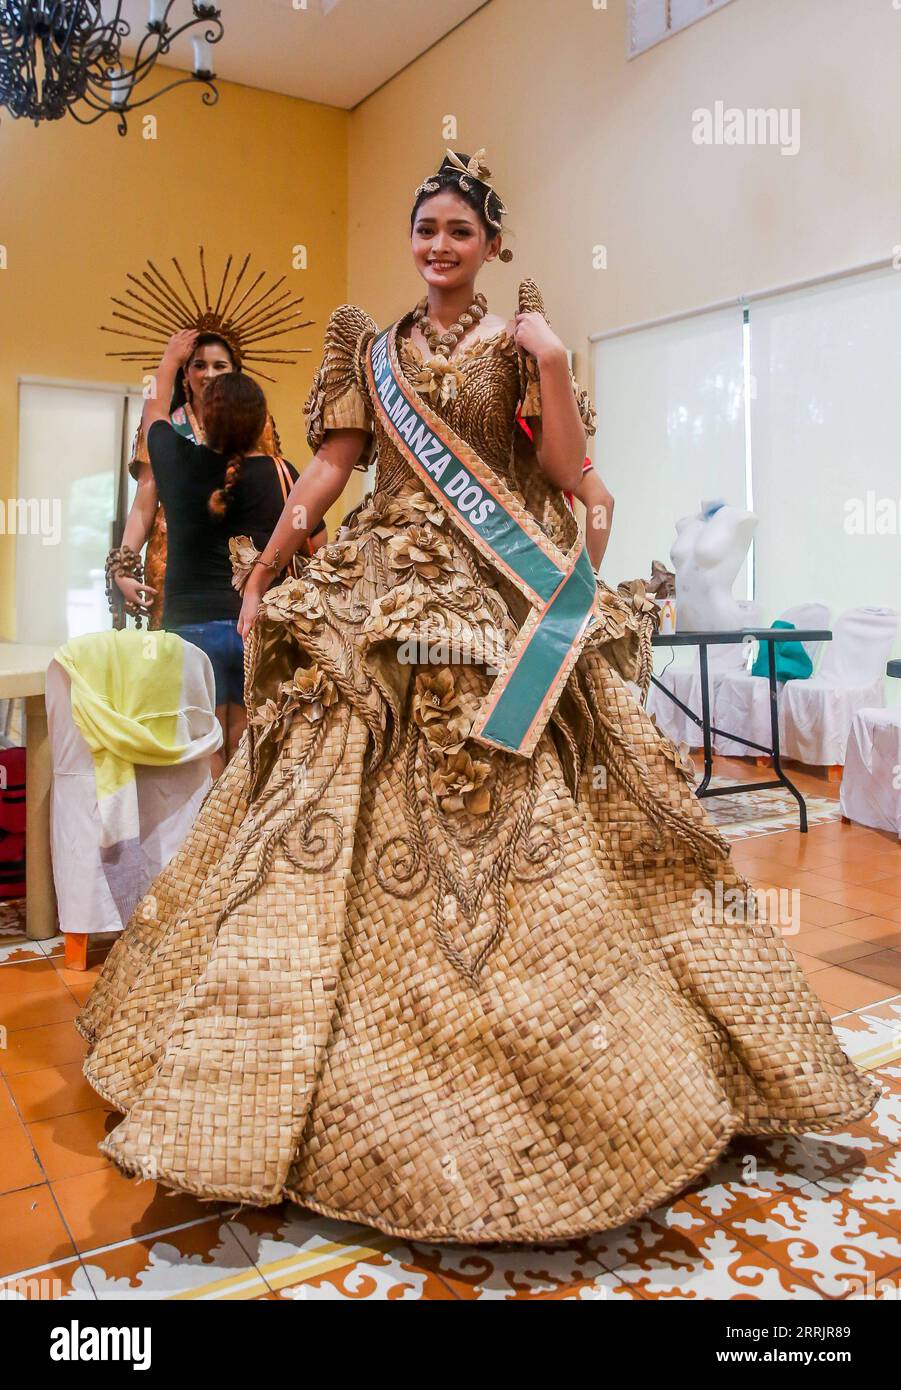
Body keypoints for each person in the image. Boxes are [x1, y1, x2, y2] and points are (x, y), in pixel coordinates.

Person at [79, 150, 877, 1245]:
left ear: (492, 245)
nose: (439, 246)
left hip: (498, 593)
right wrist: (268, 565)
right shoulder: (374, 350)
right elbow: (330, 472)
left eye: (460, 230)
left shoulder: (520, 342)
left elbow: (568, 471)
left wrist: (548, 366)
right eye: (427, 229)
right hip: (386, 582)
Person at [103, 252, 326, 631]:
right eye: (198, 365)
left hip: (251, 567)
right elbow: (144, 503)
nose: (209, 374)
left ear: (235, 374)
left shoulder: (261, 427)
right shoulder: (170, 426)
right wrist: (123, 567)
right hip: (174, 566)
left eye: (220, 366)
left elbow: (282, 498)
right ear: (185, 375)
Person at [139, 328, 304, 774]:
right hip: (258, 626)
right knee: (252, 737)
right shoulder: (281, 473)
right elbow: (316, 542)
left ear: (202, 418)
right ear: (260, 422)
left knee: (202, 739)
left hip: (190, 630)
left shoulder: (177, 463)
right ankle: (245, 837)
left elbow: (153, 409)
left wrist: (170, 359)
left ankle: (206, 838)